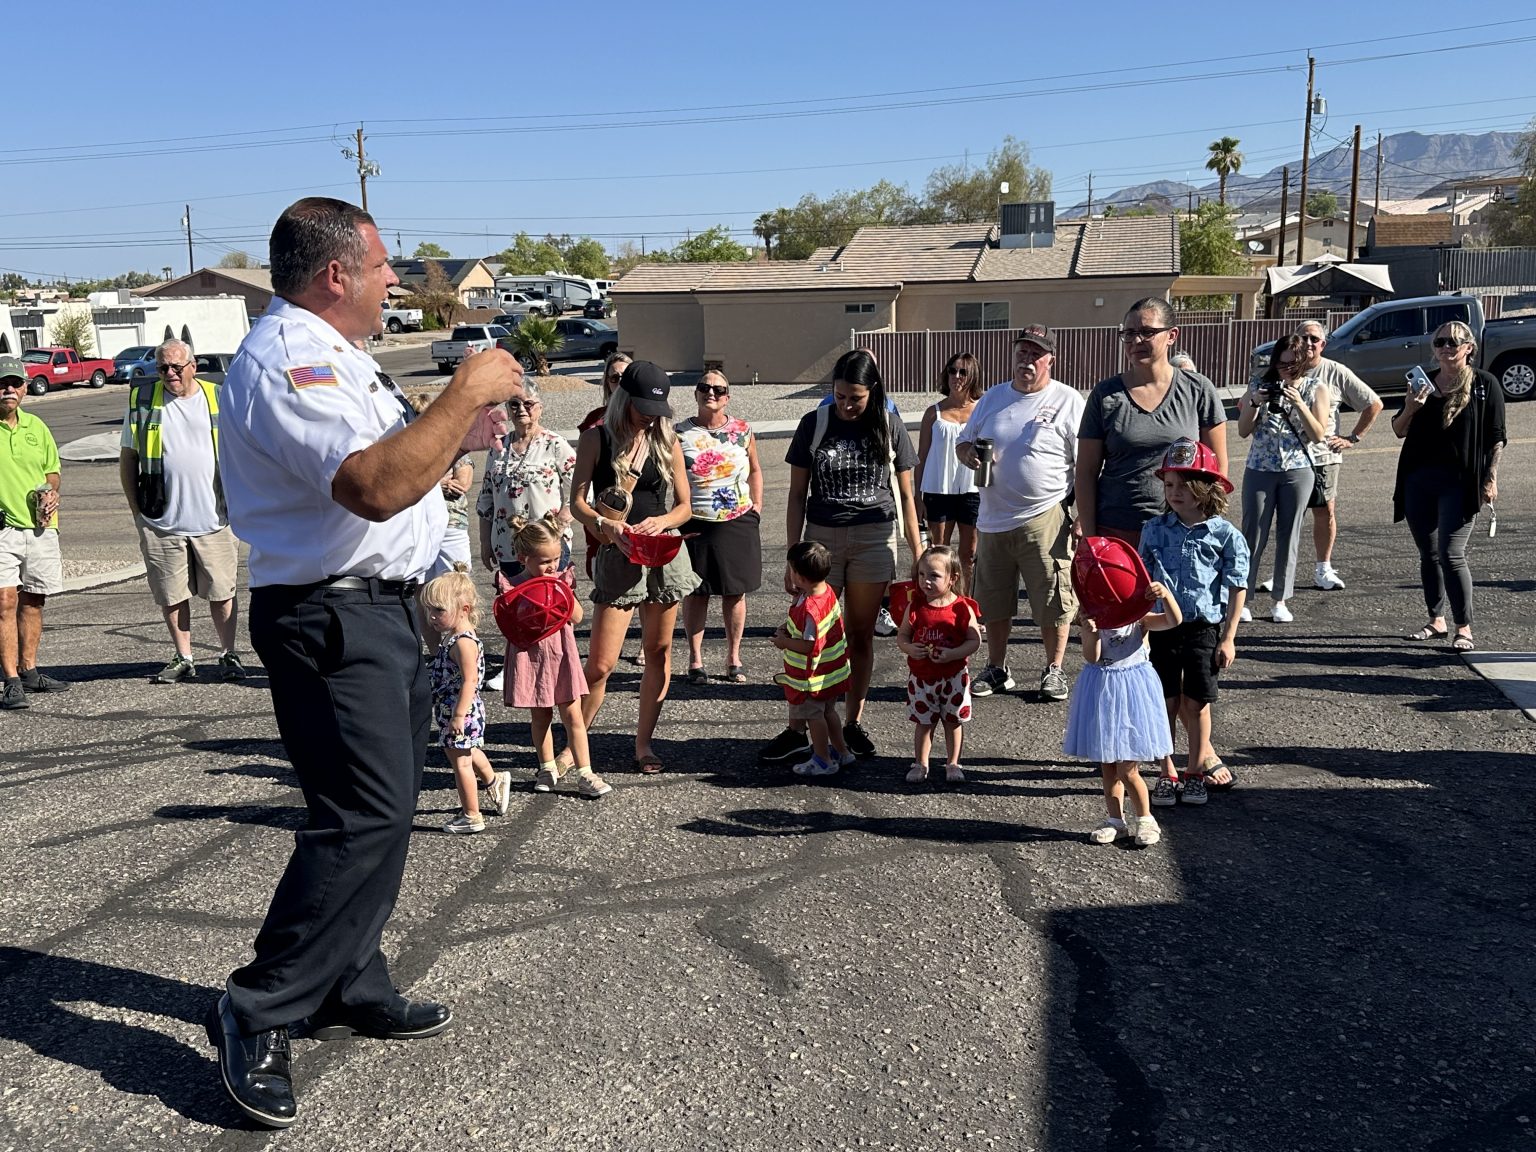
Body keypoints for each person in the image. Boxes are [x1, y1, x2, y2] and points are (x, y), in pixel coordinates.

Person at [209, 196, 522, 1129]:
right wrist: (464, 390)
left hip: (378, 612)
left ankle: (350, 976)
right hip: (328, 617)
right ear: (334, 274)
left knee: (378, 813)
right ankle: (258, 1005)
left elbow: (395, 462)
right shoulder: (288, 358)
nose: (397, 280)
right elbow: (372, 486)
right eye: (385, 265)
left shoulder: (340, 355)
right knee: (364, 815)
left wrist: (452, 440)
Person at [765, 349, 922, 766]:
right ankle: (801, 726)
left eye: (855, 397)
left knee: (859, 634)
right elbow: (797, 494)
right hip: (821, 540)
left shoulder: (889, 425)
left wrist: (917, 552)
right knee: (812, 632)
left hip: (875, 538)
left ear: (872, 391)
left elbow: (907, 495)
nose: (847, 406)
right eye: (839, 396)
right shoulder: (813, 424)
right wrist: (792, 559)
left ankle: (851, 723)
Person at [568, 361, 697, 776]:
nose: (649, 416)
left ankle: (643, 743)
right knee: (601, 664)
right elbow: (577, 504)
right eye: (642, 407)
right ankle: (576, 745)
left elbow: (684, 507)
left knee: (658, 653)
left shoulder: (667, 440)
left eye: (656, 409)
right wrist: (603, 523)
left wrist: (663, 521)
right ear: (623, 397)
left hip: (663, 555)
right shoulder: (595, 438)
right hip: (618, 554)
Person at [956, 325, 1084, 703]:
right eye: (1022, 352)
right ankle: (997, 667)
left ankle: (1054, 669)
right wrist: (967, 455)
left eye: (1035, 354)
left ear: (1051, 361)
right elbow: (964, 443)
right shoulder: (994, 397)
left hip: (1045, 515)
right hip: (992, 517)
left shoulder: (1067, 400)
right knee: (993, 599)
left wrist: (1082, 516)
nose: (1026, 360)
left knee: (1052, 598)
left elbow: (1087, 462)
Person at [116, 339, 247, 684]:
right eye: (163, 368)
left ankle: (228, 653)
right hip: (162, 519)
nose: (170, 374)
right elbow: (129, 457)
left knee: (223, 591)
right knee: (172, 594)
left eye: (176, 367)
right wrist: (136, 511)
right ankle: (184, 657)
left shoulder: (218, 396)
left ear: (193, 366)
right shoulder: (142, 400)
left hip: (215, 516)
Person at [1138, 439, 1249, 807]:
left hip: (1204, 628)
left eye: (1184, 485)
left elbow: (1237, 586)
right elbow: (1140, 582)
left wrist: (1228, 638)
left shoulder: (1225, 535)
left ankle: (1195, 770)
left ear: (1206, 487)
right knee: (1166, 702)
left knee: (1197, 702)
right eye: (1169, 485)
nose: (1175, 493)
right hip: (1162, 627)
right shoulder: (1154, 529)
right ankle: (1166, 770)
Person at [1392, 320, 1506, 653]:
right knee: (1428, 554)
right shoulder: (1423, 384)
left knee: (1450, 553)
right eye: (1440, 342)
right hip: (1418, 481)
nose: (1446, 348)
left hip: (1459, 483)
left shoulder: (1485, 385)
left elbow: (1496, 438)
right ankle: (1436, 620)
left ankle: (1463, 627)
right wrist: (1412, 406)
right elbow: (1399, 430)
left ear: (1469, 348)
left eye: (1454, 343)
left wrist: (1491, 477)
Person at [1076, 298, 1228, 546]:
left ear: (1172, 335)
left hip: (1182, 530)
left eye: (1147, 332)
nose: (1136, 341)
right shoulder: (1105, 395)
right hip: (1117, 532)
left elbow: (1218, 469)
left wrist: (1208, 526)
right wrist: (1092, 538)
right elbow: (1085, 472)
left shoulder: (1199, 390)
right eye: (1129, 333)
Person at [1067, 577, 1182, 848]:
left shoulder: (1139, 620)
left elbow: (1173, 620)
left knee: (1128, 768)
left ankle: (1145, 818)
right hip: (1102, 693)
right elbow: (1093, 657)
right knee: (1108, 767)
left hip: (1132, 695)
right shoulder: (1094, 621)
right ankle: (1115, 820)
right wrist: (1091, 631)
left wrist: (1165, 596)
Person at [500, 515, 609, 798]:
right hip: (532, 654)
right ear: (523, 558)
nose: (552, 566)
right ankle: (546, 766)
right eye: (545, 561)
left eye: (557, 559)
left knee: (573, 714)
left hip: (561, 653)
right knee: (541, 715)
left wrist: (562, 592)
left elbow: (579, 617)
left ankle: (585, 772)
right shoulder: (512, 585)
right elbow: (509, 624)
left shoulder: (560, 579)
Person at [476, 377, 574, 689]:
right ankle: (517, 667)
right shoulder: (499, 447)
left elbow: (579, 489)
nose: (521, 410)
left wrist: (560, 523)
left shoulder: (554, 444)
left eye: (528, 404)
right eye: (514, 404)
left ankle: (558, 666)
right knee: (517, 607)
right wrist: (483, 539)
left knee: (548, 605)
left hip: (547, 547)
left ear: (539, 408)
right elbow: (487, 496)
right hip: (508, 544)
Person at [676, 370, 763, 684]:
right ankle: (695, 659)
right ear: (696, 394)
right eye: (704, 388)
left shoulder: (742, 430)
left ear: (727, 396)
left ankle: (733, 657)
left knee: (734, 593)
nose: (710, 393)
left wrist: (757, 505)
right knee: (697, 593)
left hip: (736, 520)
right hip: (694, 520)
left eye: (718, 389)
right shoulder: (679, 433)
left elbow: (754, 469)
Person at [1235, 336, 1328, 624]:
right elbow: (1242, 430)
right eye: (1281, 362)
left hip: (1297, 470)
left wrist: (1299, 403)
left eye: (1292, 363)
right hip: (1260, 469)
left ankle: (1280, 599)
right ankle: (1243, 598)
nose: (1286, 369)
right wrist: (1254, 401)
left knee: (1290, 534)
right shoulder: (1259, 385)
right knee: (1252, 534)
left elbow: (1318, 435)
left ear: (1303, 362)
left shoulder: (1316, 388)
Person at [1293, 320, 1384, 591]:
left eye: (1314, 339)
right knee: (1287, 514)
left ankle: (1323, 568)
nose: (1308, 343)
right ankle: (1281, 570)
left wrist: (1352, 438)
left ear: (1323, 344)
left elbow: (1373, 404)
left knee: (1324, 511)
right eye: (1303, 337)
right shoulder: (1285, 367)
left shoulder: (1335, 371)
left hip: (1323, 457)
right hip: (1287, 458)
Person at [420, 571, 511, 834]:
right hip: (453, 708)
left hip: (462, 710)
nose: (432, 617)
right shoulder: (453, 635)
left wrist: (459, 715)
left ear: (464, 609)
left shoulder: (462, 643)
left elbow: (471, 681)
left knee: (461, 762)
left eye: (439, 610)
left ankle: (472, 815)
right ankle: (494, 781)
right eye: (429, 610)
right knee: (464, 754)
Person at [0, 355, 66, 711]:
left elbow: (51, 471)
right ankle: (10, 679)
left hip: (40, 528)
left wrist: (51, 492)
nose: (8, 389)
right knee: (4, 601)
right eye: (1, 384)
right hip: (2, 531)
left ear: (24, 388)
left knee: (34, 599)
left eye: (14, 383)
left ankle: (29, 670)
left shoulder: (36, 427)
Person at [895, 544, 981, 784]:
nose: (926, 581)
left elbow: (974, 641)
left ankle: (953, 763)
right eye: (922, 574)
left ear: (952, 578)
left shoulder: (962, 608)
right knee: (923, 723)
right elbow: (902, 636)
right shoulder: (916, 607)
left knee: (953, 721)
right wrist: (910, 648)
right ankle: (921, 763)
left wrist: (953, 654)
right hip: (921, 678)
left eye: (934, 576)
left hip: (953, 677)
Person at [771, 539, 852, 777]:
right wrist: (788, 626)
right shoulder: (826, 592)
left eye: (792, 570)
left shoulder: (810, 609)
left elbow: (808, 645)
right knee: (829, 711)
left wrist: (784, 642)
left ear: (800, 576)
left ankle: (823, 759)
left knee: (813, 716)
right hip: (832, 671)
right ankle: (842, 751)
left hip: (811, 677)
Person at [916, 352, 982, 596]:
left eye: (963, 372)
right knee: (940, 552)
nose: (957, 376)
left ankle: (965, 604)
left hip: (972, 491)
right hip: (937, 490)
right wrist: (917, 496)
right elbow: (921, 456)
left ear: (973, 375)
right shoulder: (933, 413)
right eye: (952, 370)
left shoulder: (982, 410)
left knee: (968, 553)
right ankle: (940, 603)